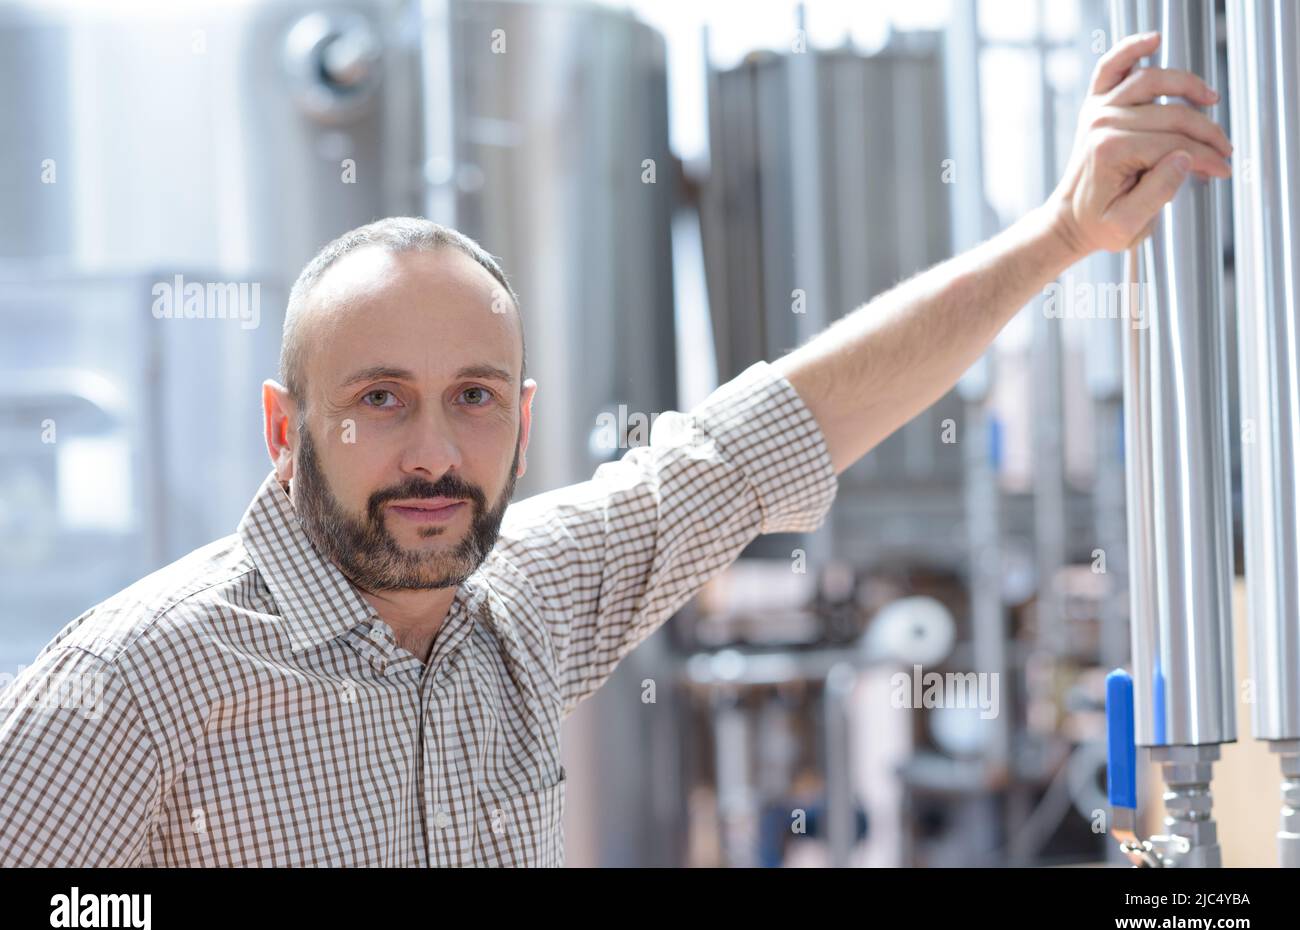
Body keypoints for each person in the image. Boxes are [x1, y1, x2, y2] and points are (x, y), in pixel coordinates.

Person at [0, 33, 1231, 866]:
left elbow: (780, 427)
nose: (433, 452)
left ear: (524, 419)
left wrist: (1060, 238)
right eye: (379, 398)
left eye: (472, 398)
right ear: (286, 428)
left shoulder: (530, 598)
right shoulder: (131, 688)